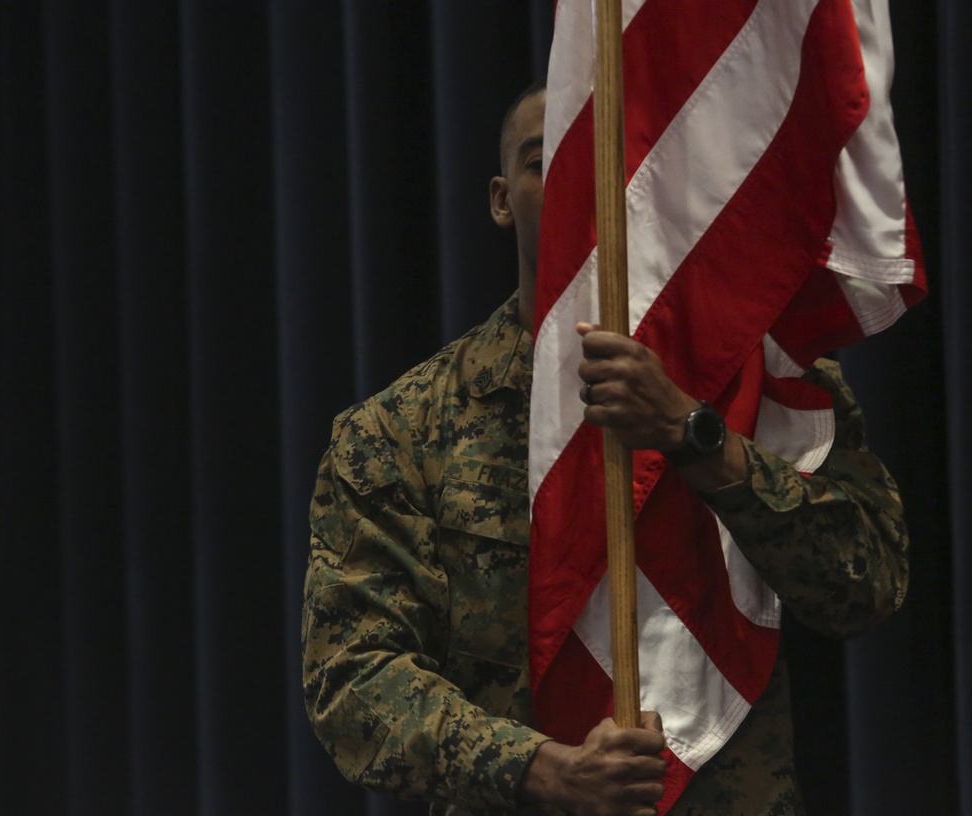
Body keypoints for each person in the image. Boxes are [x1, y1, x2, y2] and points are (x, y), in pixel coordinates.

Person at [303, 80, 907, 816]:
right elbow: (354, 682)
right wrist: (541, 770)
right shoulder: (400, 431)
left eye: (611, 160)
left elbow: (869, 584)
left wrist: (696, 437)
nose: (582, 181)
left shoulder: (765, 388)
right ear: (499, 200)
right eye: (542, 161)